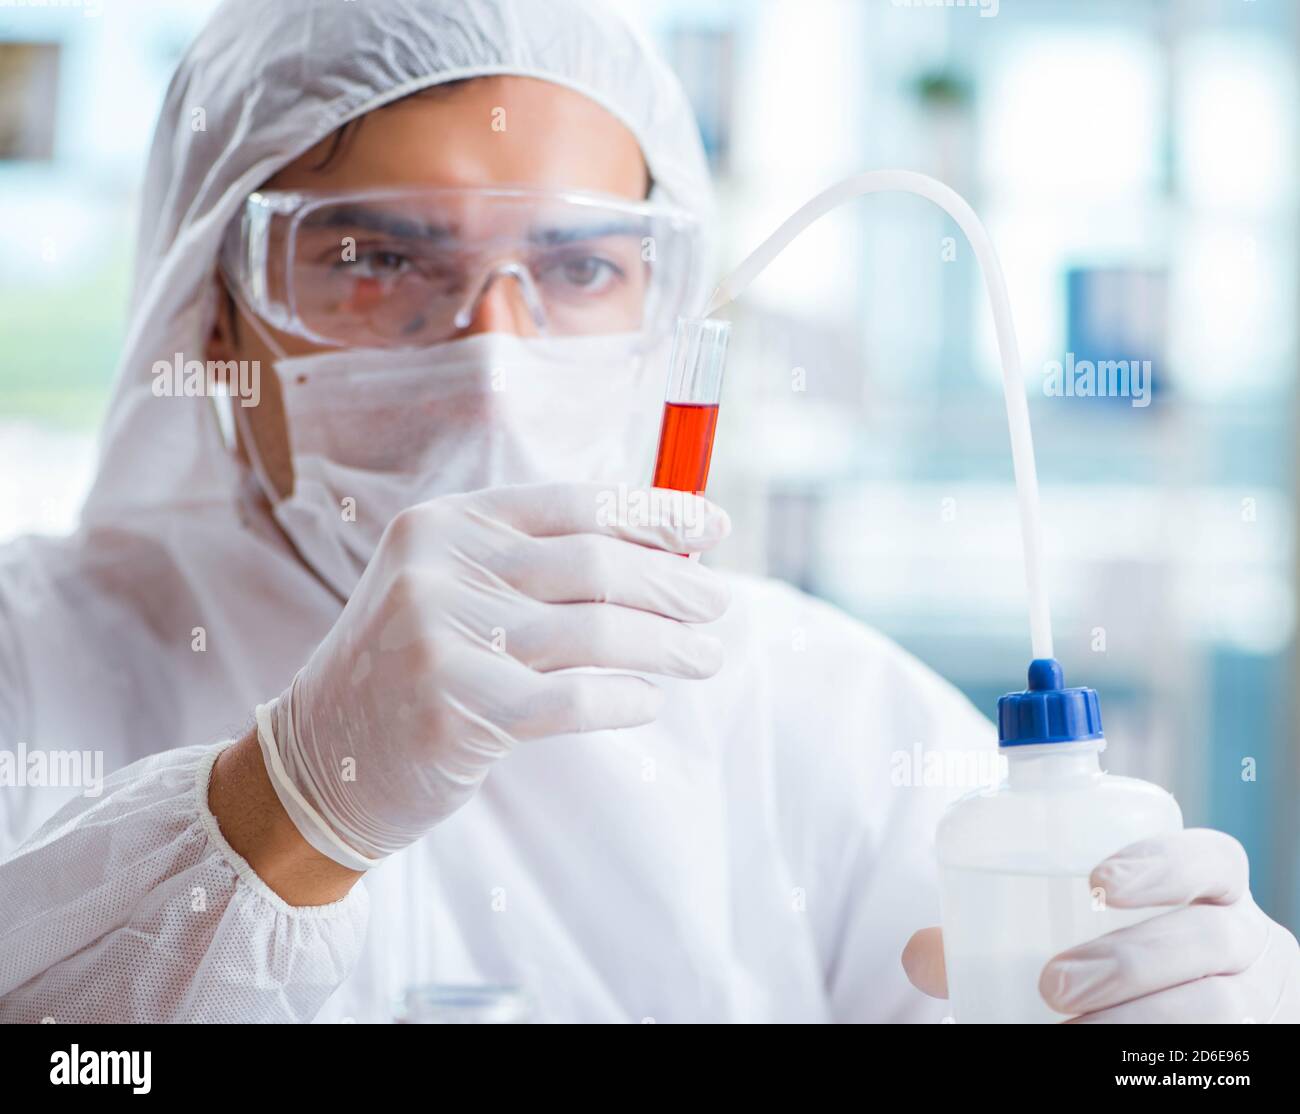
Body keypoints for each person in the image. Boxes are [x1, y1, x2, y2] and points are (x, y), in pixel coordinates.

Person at [0, 0, 1295, 1024]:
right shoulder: (31, 663)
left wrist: (1189, 1037)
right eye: (375, 258)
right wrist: (288, 801)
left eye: (576, 264)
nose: (493, 352)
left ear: (662, 306)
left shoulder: (826, 715)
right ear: (213, 312)